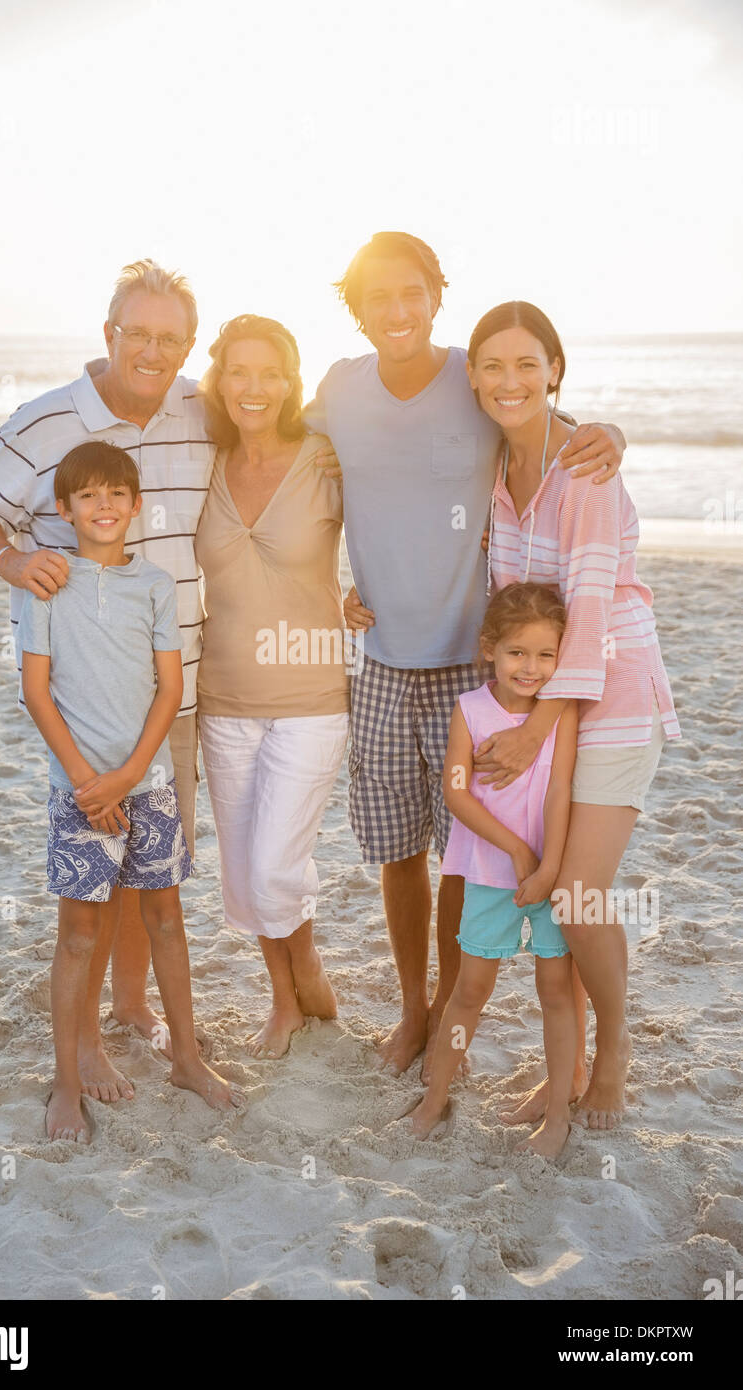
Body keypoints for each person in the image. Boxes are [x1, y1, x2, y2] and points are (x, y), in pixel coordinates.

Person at [305, 230, 627, 1078]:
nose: (397, 310)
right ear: (357, 307)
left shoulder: (478, 380)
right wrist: (336, 587)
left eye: (411, 292)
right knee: (398, 849)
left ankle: (453, 1012)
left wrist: (609, 432)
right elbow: (275, 445)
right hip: (380, 659)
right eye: (377, 296)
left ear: (436, 296)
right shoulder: (338, 388)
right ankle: (415, 1009)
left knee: (465, 852)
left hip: (472, 668)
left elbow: (541, 427)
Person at [0, 260, 214, 1099]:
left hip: (172, 689)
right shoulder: (42, 423)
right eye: (138, 333)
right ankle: (87, 1050)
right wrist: (14, 558)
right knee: (91, 897)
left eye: (170, 338)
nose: (153, 350)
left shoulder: (201, 408)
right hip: (81, 708)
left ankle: (136, 1012)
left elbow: (286, 419)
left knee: (150, 884)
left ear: (187, 346)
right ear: (109, 333)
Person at [467, 300, 681, 1129]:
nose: (509, 380)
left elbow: (586, 616)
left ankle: (614, 1055)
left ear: (555, 370)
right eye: (492, 366)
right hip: (543, 703)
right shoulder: (490, 470)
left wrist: (529, 731)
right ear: (475, 379)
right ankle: (574, 1065)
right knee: (549, 893)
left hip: (613, 700)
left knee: (578, 896)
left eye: (527, 364)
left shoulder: (586, 471)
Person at [18, 441, 241, 1141]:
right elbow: (35, 690)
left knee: (167, 921)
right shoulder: (47, 585)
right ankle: (66, 1084)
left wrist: (128, 774)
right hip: (77, 794)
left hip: (149, 787)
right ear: (65, 509)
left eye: (116, 494)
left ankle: (188, 1059)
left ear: (136, 505)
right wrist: (90, 784)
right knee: (80, 935)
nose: (104, 506)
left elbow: (171, 687)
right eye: (87, 496)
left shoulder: (155, 585)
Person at [195, 316, 349, 1058]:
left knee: (274, 865)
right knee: (244, 870)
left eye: (270, 374)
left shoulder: (325, 455)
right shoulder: (203, 456)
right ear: (218, 379)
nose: (253, 388)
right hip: (222, 698)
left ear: (291, 382)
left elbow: (409, 492)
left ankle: (307, 970)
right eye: (238, 372)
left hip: (311, 697)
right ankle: (285, 999)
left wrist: (369, 596)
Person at [409, 584, 579, 1158]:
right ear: (490, 649)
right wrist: (516, 852)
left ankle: (556, 1115)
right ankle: (434, 1098)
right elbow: (457, 795)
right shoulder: (470, 710)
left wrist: (549, 864)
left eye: (546, 655)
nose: (530, 668)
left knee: (556, 993)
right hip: (488, 873)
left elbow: (559, 791)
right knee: (469, 991)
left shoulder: (563, 715)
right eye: (517, 653)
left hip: (549, 875)